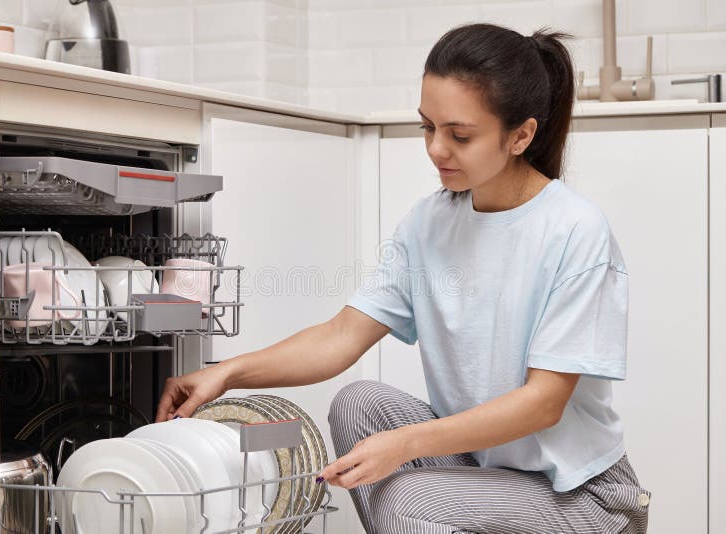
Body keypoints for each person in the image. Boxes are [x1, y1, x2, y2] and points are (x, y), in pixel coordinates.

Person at [156, 23, 651, 534]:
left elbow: (544, 402)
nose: (436, 149)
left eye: (459, 135)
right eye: (427, 127)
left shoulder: (574, 230)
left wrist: (407, 444)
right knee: (358, 405)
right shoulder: (430, 223)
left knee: (411, 497)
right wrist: (226, 373)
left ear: (520, 135)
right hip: (482, 473)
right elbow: (342, 335)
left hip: (580, 498)